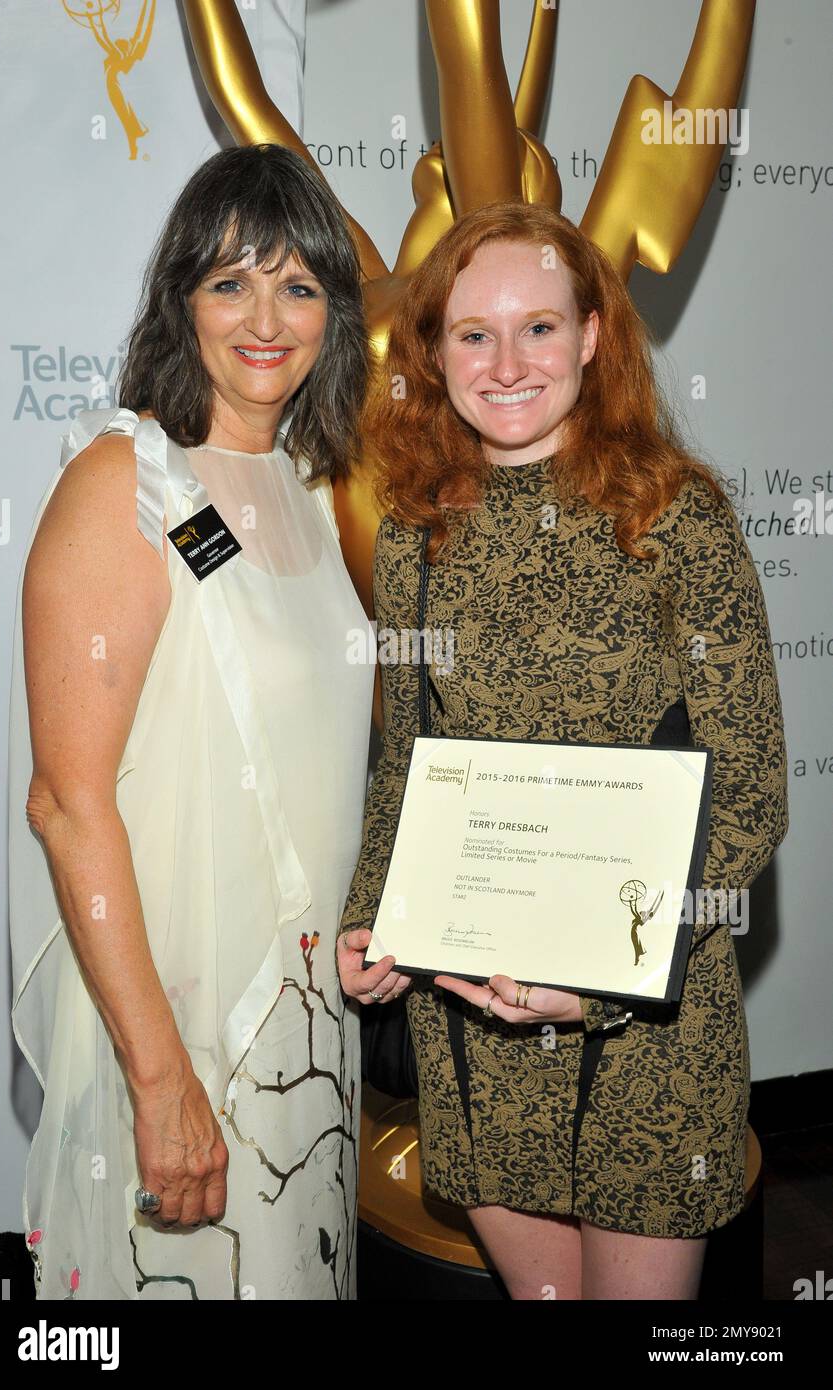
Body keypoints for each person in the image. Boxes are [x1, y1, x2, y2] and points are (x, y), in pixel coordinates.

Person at [337, 201, 788, 1300]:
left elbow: (750, 791)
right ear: (431, 353)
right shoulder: (416, 533)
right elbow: (409, 758)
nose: (505, 363)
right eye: (472, 334)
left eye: (537, 327)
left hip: (645, 1027)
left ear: (592, 334)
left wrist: (595, 985)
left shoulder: (677, 518)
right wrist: (372, 914)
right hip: (476, 1017)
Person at [8, 144, 374, 1300]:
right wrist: (159, 1077)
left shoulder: (316, 492)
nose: (265, 318)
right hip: (171, 1030)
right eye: (231, 282)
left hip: (306, 1032)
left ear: (334, 313)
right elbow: (68, 804)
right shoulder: (125, 483)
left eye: (298, 286)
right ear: (181, 301)